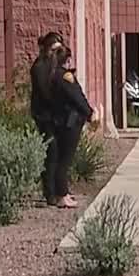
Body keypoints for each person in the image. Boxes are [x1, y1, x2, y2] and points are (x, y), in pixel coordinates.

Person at [48, 47, 96, 208]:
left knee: (60, 158)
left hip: (60, 121)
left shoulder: (52, 75)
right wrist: (89, 113)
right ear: (68, 60)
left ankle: (62, 192)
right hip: (70, 122)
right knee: (65, 160)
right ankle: (62, 195)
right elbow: (77, 97)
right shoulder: (65, 76)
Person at [30, 31, 65, 202]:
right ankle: (49, 192)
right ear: (46, 49)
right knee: (51, 152)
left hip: (54, 115)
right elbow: (45, 92)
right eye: (54, 50)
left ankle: (57, 189)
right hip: (44, 115)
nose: (56, 54)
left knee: (58, 152)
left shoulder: (54, 65)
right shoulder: (40, 67)